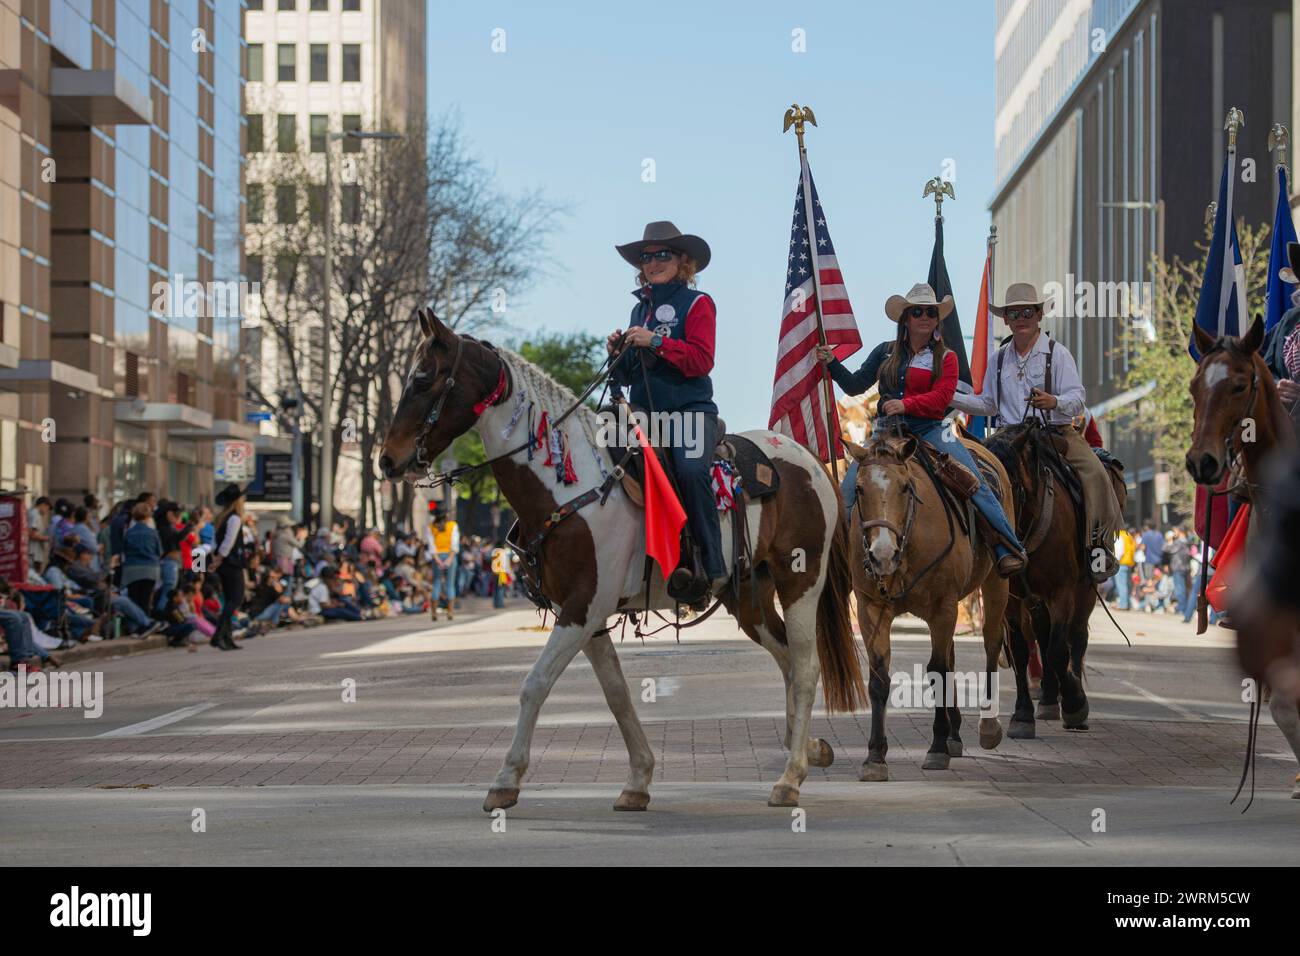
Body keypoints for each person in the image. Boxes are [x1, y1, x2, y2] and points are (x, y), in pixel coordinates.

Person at [818, 282, 1027, 576]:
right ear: (906, 318)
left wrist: (906, 404)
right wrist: (832, 363)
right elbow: (854, 385)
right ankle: (834, 558)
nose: (925, 316)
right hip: (886, 434)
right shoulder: (884, 353)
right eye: (917, 311)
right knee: (848, 491)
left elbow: (942, 398)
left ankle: (1008, 547)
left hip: (933, 429)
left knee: (975, 483)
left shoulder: (947, 358)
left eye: (931, 312)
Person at [951, 282, 1125, 581]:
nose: (1021, 317)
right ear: (1006, 318)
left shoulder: (1058, 354)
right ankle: (971, 549)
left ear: (1039, 314)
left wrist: (1053, 401)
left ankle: (1099, 546)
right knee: (969, 474)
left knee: (1095, 473)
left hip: (1053, 434)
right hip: (1008, 437)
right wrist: (949, 396)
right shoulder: (998, 358)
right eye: (1014, 312)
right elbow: (989, 404)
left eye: (1027, 311)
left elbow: (1077, 399)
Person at [605, 220, 724, 602]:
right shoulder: (639, 309)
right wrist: (616, 353)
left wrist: (655, 340)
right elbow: (625, 376)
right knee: (603, 448)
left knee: (690, 471)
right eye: (646, 257)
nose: (653, 262)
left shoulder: (699, 303)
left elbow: (702, 360)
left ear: (682, 261)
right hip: (643, 413)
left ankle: (711, 564)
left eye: (662, 255)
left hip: (690, 410)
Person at [208, 483, 249, 651]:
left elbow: (213, 542)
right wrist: (219, 558)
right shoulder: (235, 518)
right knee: (236, 598)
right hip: (231, 562)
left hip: (224, 563)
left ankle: (226, 636)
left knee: (229, 600)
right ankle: (219, 634)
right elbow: (229, 541)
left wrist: (215, 559)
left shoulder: (222, 517)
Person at [121, 502, 162, 619]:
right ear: (148, 516)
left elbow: (124, 551)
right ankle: (146, 623)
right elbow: (159, 551)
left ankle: (134, 625)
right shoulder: (153, 533)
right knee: (146, 599)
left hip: (132, 569)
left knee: (133, 600)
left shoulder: (128, 533)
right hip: (150, 569)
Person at [425, 511, 459, 620]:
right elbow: (455, 544)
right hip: (450, 556)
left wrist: (437, 560)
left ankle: (434, 613)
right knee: (450, 584)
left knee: (437, 583)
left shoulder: (431, 527)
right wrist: (449, 559)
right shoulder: (452, 525)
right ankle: (450, 612)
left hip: (437, 557)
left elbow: (431, 546)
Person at [1113, 526, 1136, 610]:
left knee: (1121, 585)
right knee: (1127, 585)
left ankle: (1123, 605)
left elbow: (1119, 551)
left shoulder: (1119, 536)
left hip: (1121, 563)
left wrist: (1115, 561)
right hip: (1129, 563)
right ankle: (1127, 604)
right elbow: (1133, 549)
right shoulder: (1129, 535)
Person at [27, 496, 52, 571]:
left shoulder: (35, 514)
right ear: (43, 505)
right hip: (33, 551)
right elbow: (32, 534)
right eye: (47, 507)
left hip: (36, 552)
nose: (47, 510)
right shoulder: (35, 514)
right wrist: (47, 538)